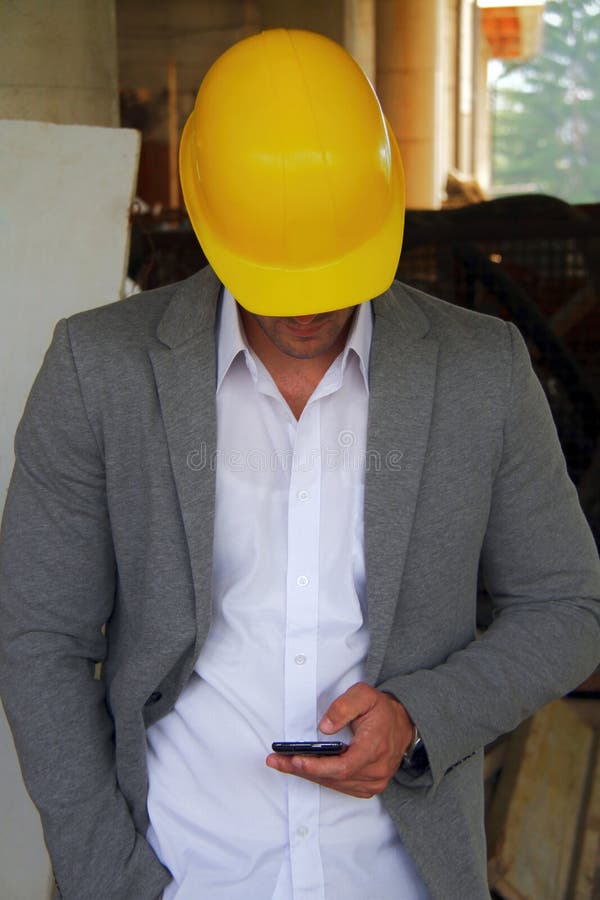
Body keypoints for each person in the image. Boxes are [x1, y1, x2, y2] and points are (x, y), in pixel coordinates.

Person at [0, 28, 599, 900]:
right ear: (206, 212)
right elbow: (38, 640)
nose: (308, 309)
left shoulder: (480, 370)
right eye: (275, 276)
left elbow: (568, 604)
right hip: (179, 874)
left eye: (331, 271)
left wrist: (421, 718)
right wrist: (111, 879)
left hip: (398, 878)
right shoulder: (101, 370)